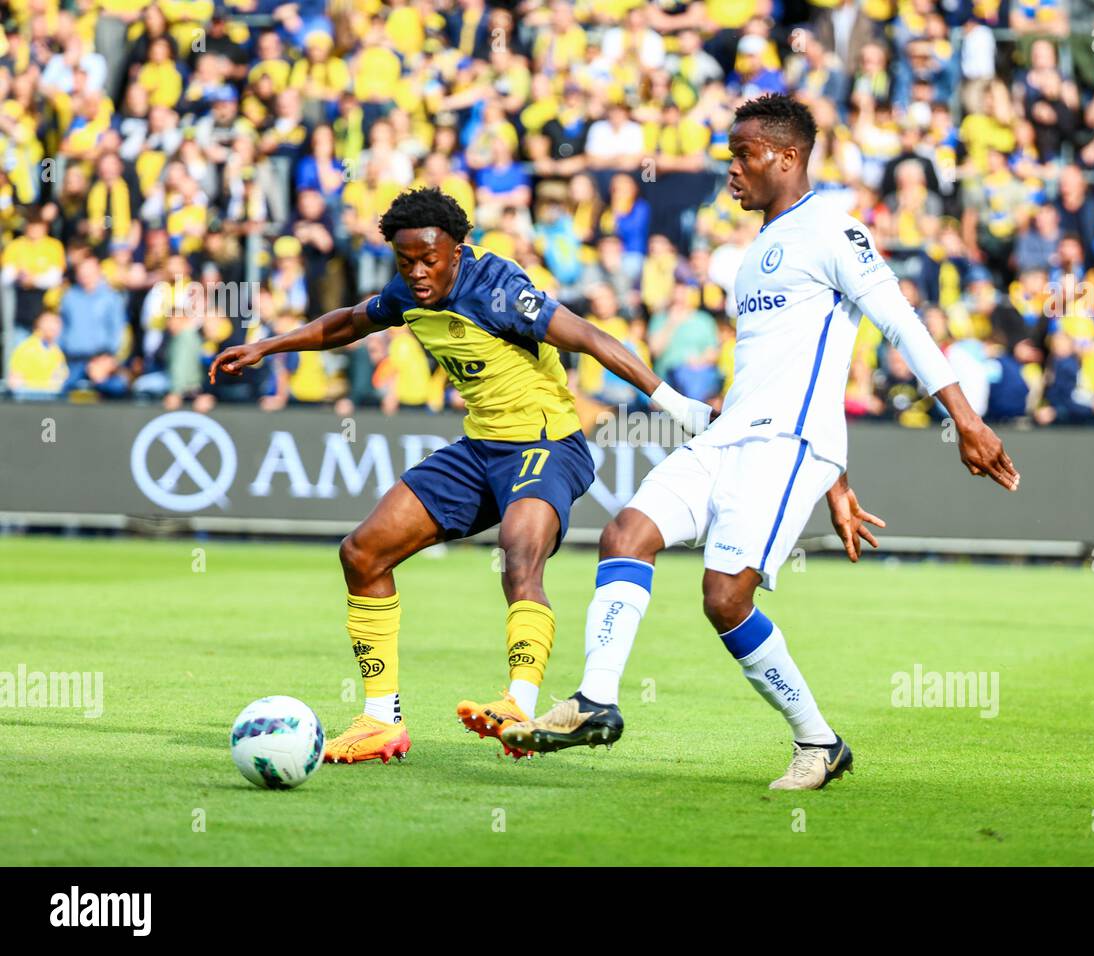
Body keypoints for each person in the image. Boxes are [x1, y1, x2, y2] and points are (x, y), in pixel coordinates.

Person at [502, 95, 1019, 790]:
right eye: (730, 157)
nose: (733, 171)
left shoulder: (835, 230)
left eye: (743, 156)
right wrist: (836, 489)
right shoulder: (752, 259)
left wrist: (964, 419)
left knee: (724, 598)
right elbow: (791, 369)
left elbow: (900, 322)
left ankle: (820, 742)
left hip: (787, 445)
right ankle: (597, 700)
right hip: (730, 432)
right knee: (626, 532)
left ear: (787, 156)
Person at [209, 188, 712, 763]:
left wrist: (679, 406)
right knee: (362, 554)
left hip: (546, 443)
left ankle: (518, 706)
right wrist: (267, 347)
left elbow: (591, 338)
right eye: (406, 263)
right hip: (480, 449)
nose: (419, 274)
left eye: (430, 260)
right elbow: (348, 323)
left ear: (456, 250)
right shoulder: (407, 293)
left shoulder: (499, 289)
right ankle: (380, 721)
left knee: (519, 557)